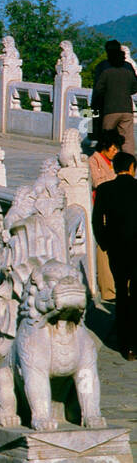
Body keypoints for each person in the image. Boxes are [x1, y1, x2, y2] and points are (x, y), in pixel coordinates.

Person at [92, 150, 137, 358]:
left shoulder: (104, 190)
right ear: (131, 168)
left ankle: (125, 344)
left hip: (117, 250)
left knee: (121, 292)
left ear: (115, 168)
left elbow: (96, 222)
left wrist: (105, 243)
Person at [90, 129, 122, 302]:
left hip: (115, 209)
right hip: (102, 209)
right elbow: (97, 182)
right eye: (113, 148)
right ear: (105, 146)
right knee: (103, 250)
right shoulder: (94, 161)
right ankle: (108, 290)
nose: (115, 151)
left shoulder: (111, 162)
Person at [92, 40, 137, 154]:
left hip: (109, 109)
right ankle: (129, 163)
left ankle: (107, 161)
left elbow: (98, 90)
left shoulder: (104, 68)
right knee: (127, 139)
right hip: (127, 108)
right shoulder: (128, 67)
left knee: (107, 137)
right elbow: (134, 87)